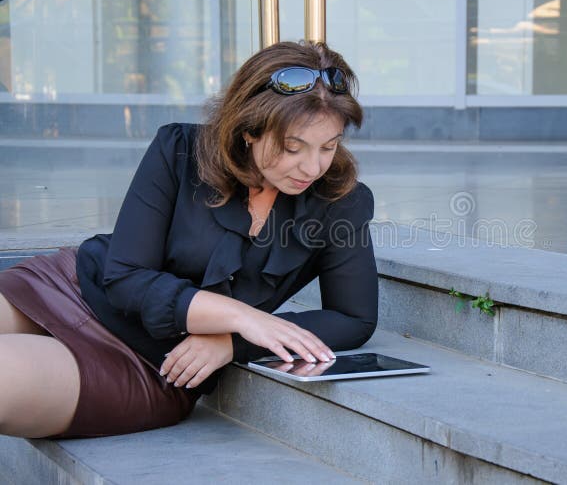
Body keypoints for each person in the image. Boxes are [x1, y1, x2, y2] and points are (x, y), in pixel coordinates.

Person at [0, 41, 378, 439]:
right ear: (249, 129)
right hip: (72, 287)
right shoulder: (180, 150)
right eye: (292, 147)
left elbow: (355, 318)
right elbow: (126, 277)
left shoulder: (342, 202)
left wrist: (233, 344)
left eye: (329, 146)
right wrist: (244, 318)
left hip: (151, 363)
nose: (313, 167)